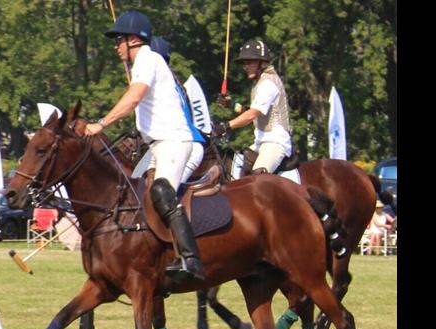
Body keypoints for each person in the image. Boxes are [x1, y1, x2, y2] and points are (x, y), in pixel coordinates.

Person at [83, 11, 204, 281]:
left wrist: (101, 124)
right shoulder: (143, 64)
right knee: (136, 192)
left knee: (162, 192)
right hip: (157, 145)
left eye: (120, 39)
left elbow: (133, 98)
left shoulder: (148, 59)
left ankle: (190, 259)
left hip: (174, 141)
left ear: (135, 39)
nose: (116, 45)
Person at [213, 39, 291, 175]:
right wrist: (231, 105)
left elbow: (252, 115)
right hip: (260, 142)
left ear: (261, 63)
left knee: (257, 179)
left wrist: (226, 126)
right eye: (244, 63)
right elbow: (248, 110)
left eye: (249, 62)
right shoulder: (259, 83)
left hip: (275, 142)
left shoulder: (268, 83)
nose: (245, 66)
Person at [149, 35, 210, 185]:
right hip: (167, 144)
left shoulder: (162, 85)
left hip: (181, 145)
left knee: (163, 197)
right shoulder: (171, 81)